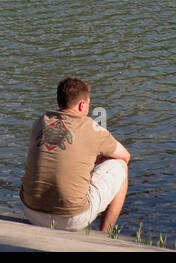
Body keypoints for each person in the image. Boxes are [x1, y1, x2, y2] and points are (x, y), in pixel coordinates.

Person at [19, 76, 130, 233]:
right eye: (88, 104)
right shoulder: (91, 127)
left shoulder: (40, 122)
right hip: (71, 219)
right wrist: (98, 158)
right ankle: (105, 235)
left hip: (31, 211)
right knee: (120, 166)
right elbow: (125, 155)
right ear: (82, 104)